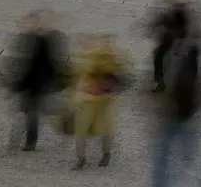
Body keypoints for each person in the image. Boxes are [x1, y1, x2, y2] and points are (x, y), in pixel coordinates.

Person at [148, 29, 201, 187]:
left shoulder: (188, 62)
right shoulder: (180, 59)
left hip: (178, 114)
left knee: (167, 155)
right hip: (174, 114)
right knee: (165, 155)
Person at [8, 10, 64, 151]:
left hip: (37, 83)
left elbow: (51, 62)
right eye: (29, 22)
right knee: (23, 110)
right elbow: (15, 60)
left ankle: (29, 141)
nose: (30, 25)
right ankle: (20, 138)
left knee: (32, 112)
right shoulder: (23, 38)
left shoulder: (45, 40)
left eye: (33, 22)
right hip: (24, 82)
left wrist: (54, 80)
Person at [71, 33, 126, 168]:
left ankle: (106, 154)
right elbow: (80, 76)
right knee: (81, 127)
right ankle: (81, 158)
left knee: (107, 126)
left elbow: (122, 76)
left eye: (108, 42)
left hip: (107, 99)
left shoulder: (116, 58)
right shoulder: (89, 57)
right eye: (104, 42)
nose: (106, 45)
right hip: (88, 98)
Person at [147, 0, 191, 92]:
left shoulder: (180, 11)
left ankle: (163, 82)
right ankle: (161, 82)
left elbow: (181, 28)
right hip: (168, 41)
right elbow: (163, 20)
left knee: (163, 60)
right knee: (160, 58)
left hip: (172, 43)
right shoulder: (174, 10)